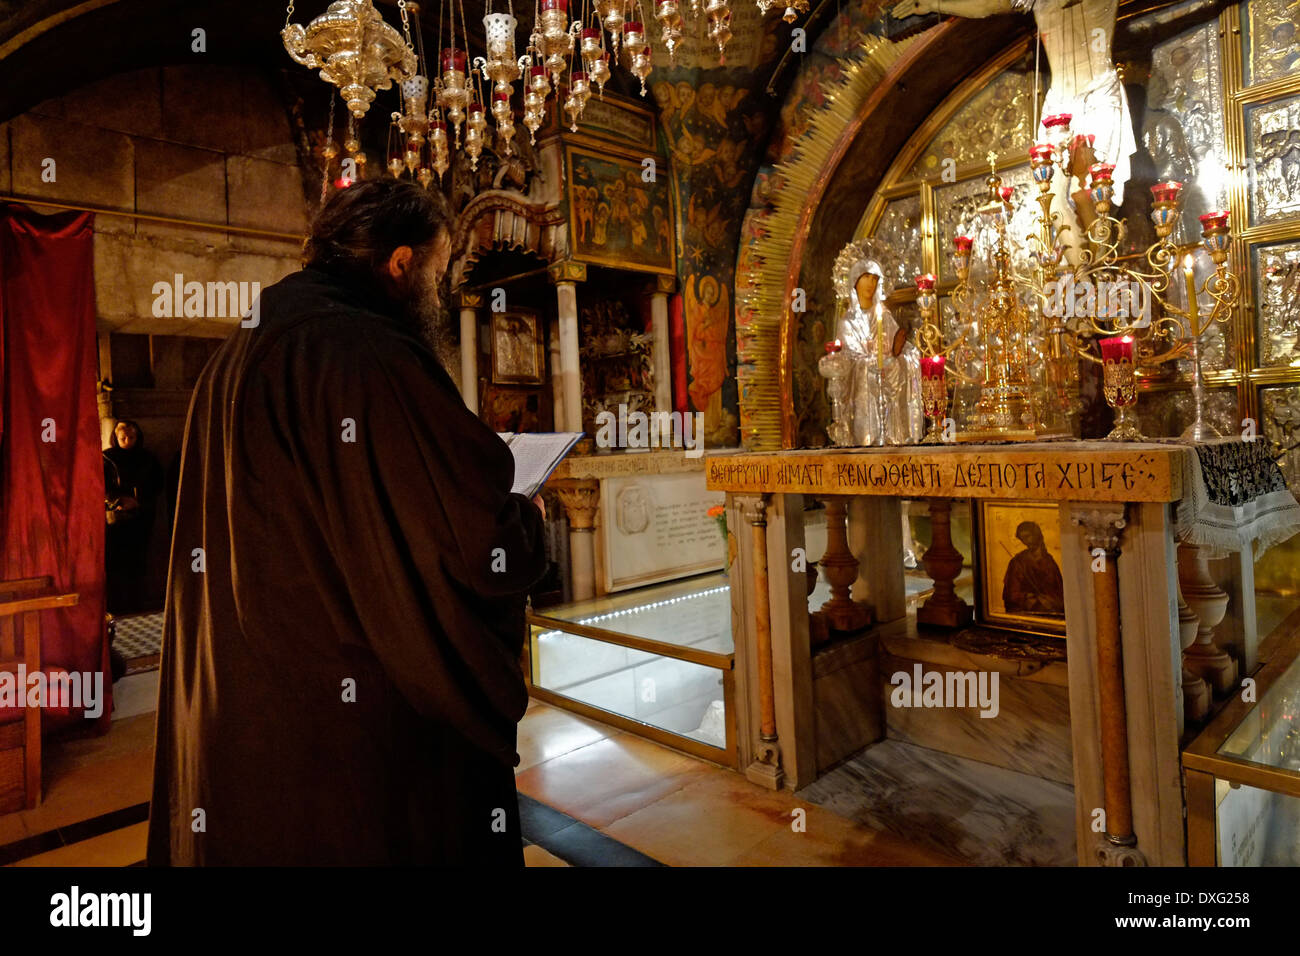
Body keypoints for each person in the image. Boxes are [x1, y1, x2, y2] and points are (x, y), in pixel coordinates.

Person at [147, 179, 548, 866]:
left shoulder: (246, 340)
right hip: (357, 740)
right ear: (400, 262)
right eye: (438, 266)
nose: (440, 289)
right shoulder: (367, 351)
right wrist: (526, 521)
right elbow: (465, 542)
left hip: (250, 716)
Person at [103, 419, 163, 615]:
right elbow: (100, 486)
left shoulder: (147, 459)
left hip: (141, 518)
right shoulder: (107, 459)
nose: (127, 440)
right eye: (123, 437)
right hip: (115, 519)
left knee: (137, 563)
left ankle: (135, 605)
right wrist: (118, 501)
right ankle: (115, 607)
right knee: (114, 563)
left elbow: (156, 485)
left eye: (131, 437)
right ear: (116, 438)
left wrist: (139, 501)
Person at [1002, 520, 1065, 615]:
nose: (1026, 541)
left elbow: (1060, 591)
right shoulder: (1017, 562)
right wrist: (1029, 597)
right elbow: (1011, 594)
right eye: (1022, 539)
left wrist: (1051, 600)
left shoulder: (1049, 561)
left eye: (1028, 536)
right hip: (1027, 613)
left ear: (1037, 535)